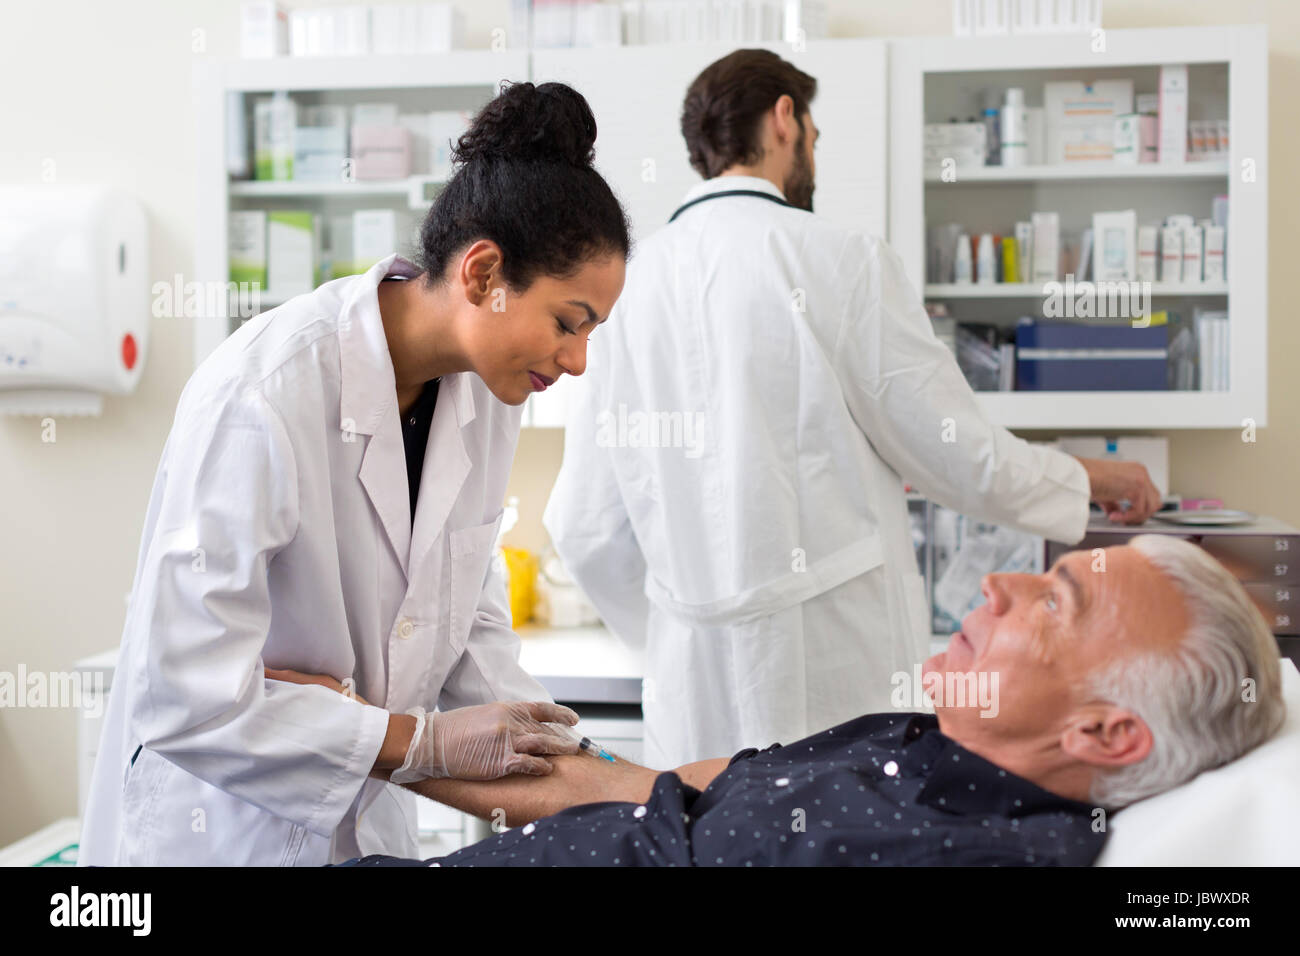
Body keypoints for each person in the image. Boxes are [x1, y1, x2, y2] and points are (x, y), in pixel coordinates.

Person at [542, 49, 1164, 769]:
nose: (812, 150)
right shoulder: (842, 260)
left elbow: (584, 528)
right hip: (837, 680)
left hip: (691, 694)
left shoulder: (626, 283)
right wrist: (1093, 481)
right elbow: (958, 455)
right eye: (813, 131)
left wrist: (683, 631)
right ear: (785, 119)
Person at [79, 81, 631, 866]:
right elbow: (186, 700)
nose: (578, 360)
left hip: (363, 833)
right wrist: (420, 741)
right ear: (482, 275)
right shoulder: (264, 393)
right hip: (222, 835)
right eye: (569, 323)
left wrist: (550, 749)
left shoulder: (489, 392)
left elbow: (463, 610)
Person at [323, 536, 1285, 866]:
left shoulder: (967, 853)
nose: (998, 583)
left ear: (1106, 731)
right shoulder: (927, 744)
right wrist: (383, 741)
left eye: (1053, 601)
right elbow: (654, 788)